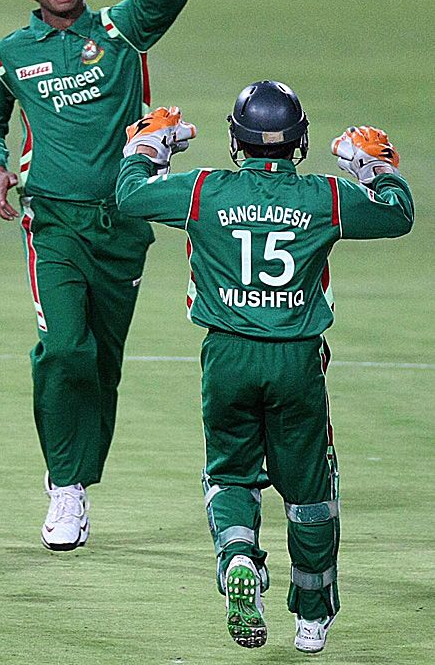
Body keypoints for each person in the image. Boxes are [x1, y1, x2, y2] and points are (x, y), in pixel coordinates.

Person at [0, 0, 253, 552]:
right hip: (54, 223)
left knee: (101, 363)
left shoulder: (121, 32)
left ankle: (77, 477)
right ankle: (64, 486)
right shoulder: (9, 55)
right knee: (65, 348)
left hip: (123, 223)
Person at [115, 83, 414, 652]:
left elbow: (130, 197)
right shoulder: (324, 196)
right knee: (310, 492)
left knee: (231, 475)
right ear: (299, 141)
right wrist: (375, 166)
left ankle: (237, 559)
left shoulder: (204, 190)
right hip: (296, 360)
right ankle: (311, 619)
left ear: (237, 140)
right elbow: (399, 215)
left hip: (226, 356)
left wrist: (148, 148)